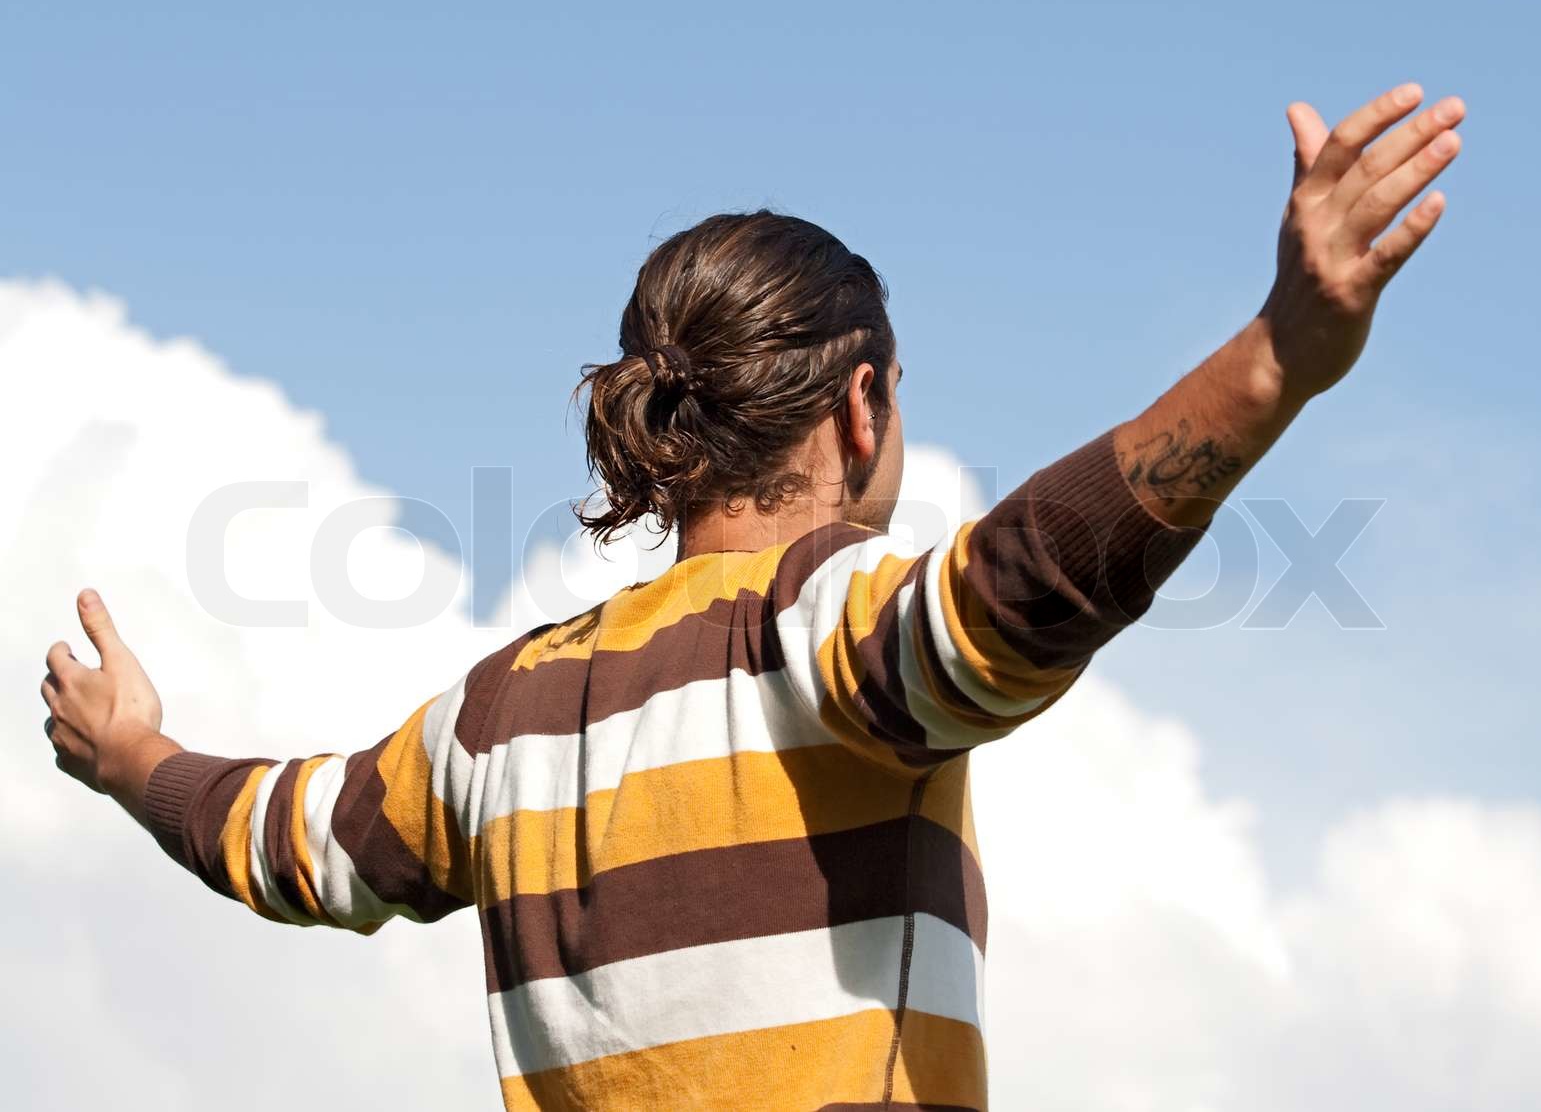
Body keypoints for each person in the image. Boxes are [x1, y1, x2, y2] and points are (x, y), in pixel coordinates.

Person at [38, 82, 1463, 1110]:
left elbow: (287, 845)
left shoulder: (498, 721)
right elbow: (1013, 595)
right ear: (862, 408)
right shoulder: (819, 624)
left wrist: (130, 756)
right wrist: (1276, 357)